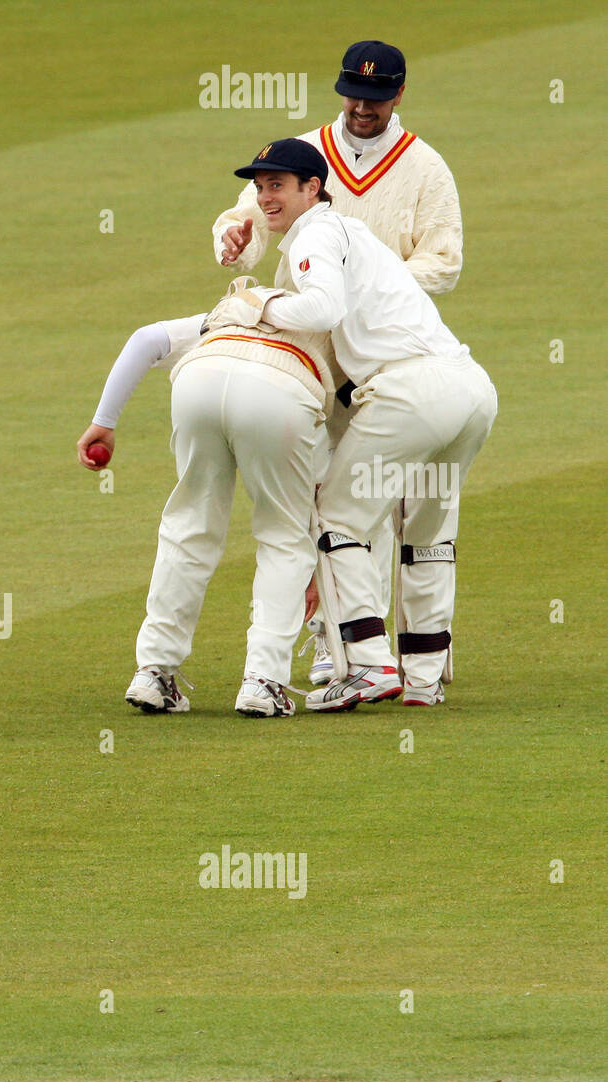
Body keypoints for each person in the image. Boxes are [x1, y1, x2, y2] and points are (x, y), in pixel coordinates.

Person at [212, 41, 464, 686]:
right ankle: (340, 649)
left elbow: (443, 262)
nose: (362, 106)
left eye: (376, 98)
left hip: (386, 358)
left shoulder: (426, 168)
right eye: (353, 93)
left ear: (398, 97)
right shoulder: (304, 151)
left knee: (392, 510)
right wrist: (231, 239)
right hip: (317, 360)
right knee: (329, 503)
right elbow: (249, 220)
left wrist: (368, 290)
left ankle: (414, 665)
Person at [76, 260, 339, 717]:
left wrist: (104, 423)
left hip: (201, 376)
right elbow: (323, 468)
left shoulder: (238, 304)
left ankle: (154, 671)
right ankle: (263, 680)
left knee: (189, 527)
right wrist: (312, 560)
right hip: (281, 389)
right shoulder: (339, 325)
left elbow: (146, 340)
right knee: (284, 537)